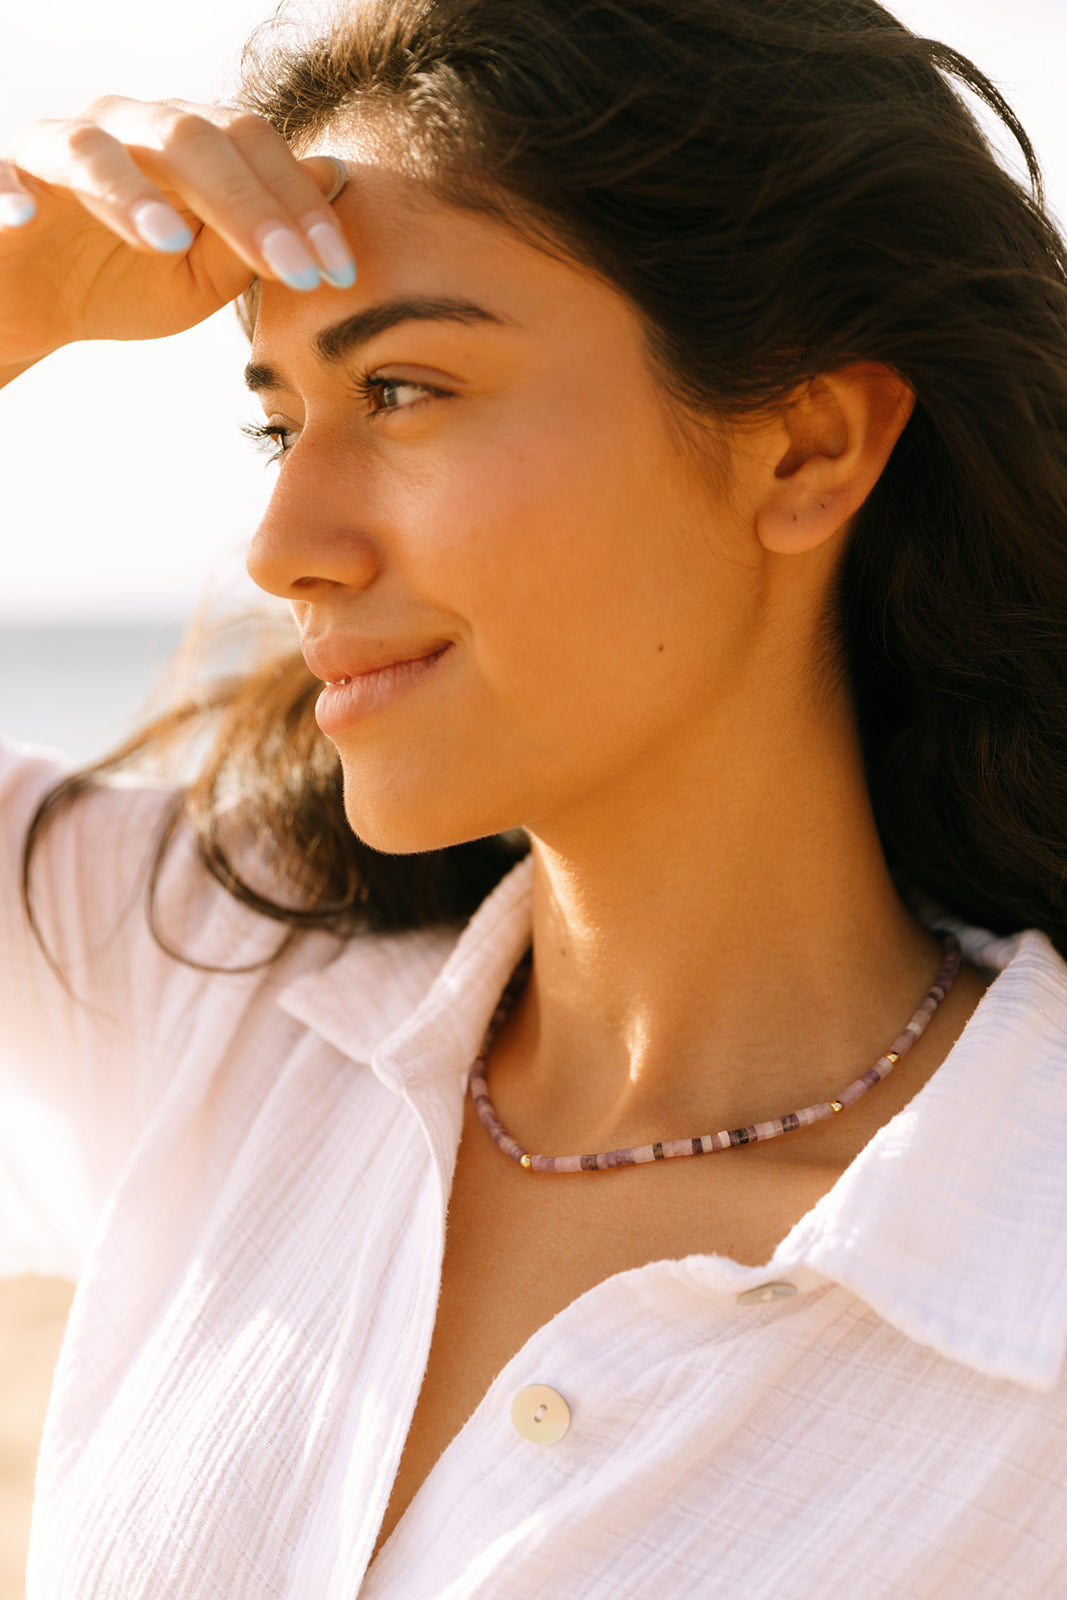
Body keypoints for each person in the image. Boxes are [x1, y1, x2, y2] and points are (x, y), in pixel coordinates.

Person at [1, 0, 1065, 1594]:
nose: (285, 541)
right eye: (278, 419)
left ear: (808, 449)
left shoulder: (1022, 1265)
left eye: (407, 391)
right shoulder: (213, 987)